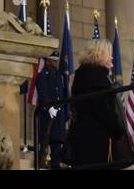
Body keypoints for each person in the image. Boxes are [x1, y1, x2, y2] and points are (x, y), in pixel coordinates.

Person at [67, 39, 125, 167]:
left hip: (83, 137)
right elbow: (103, 110)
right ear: (99, 54)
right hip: (95, 140)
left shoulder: (82, 74)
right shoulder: (96, 76)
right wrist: (117, 130)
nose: (112, 57)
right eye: (109, 53)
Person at [33, 52, 66, 169]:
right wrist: (49, 108)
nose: (56, 62)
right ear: (48, 61)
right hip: (48, 113)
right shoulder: (42, 75)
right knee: (45, 139)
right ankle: (41, 162)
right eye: (54, 60)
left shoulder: (59, 76)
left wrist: (63, 111)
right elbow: (43, 93)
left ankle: (55, 163)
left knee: (57, 140)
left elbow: (62, 95)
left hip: (58, 113)